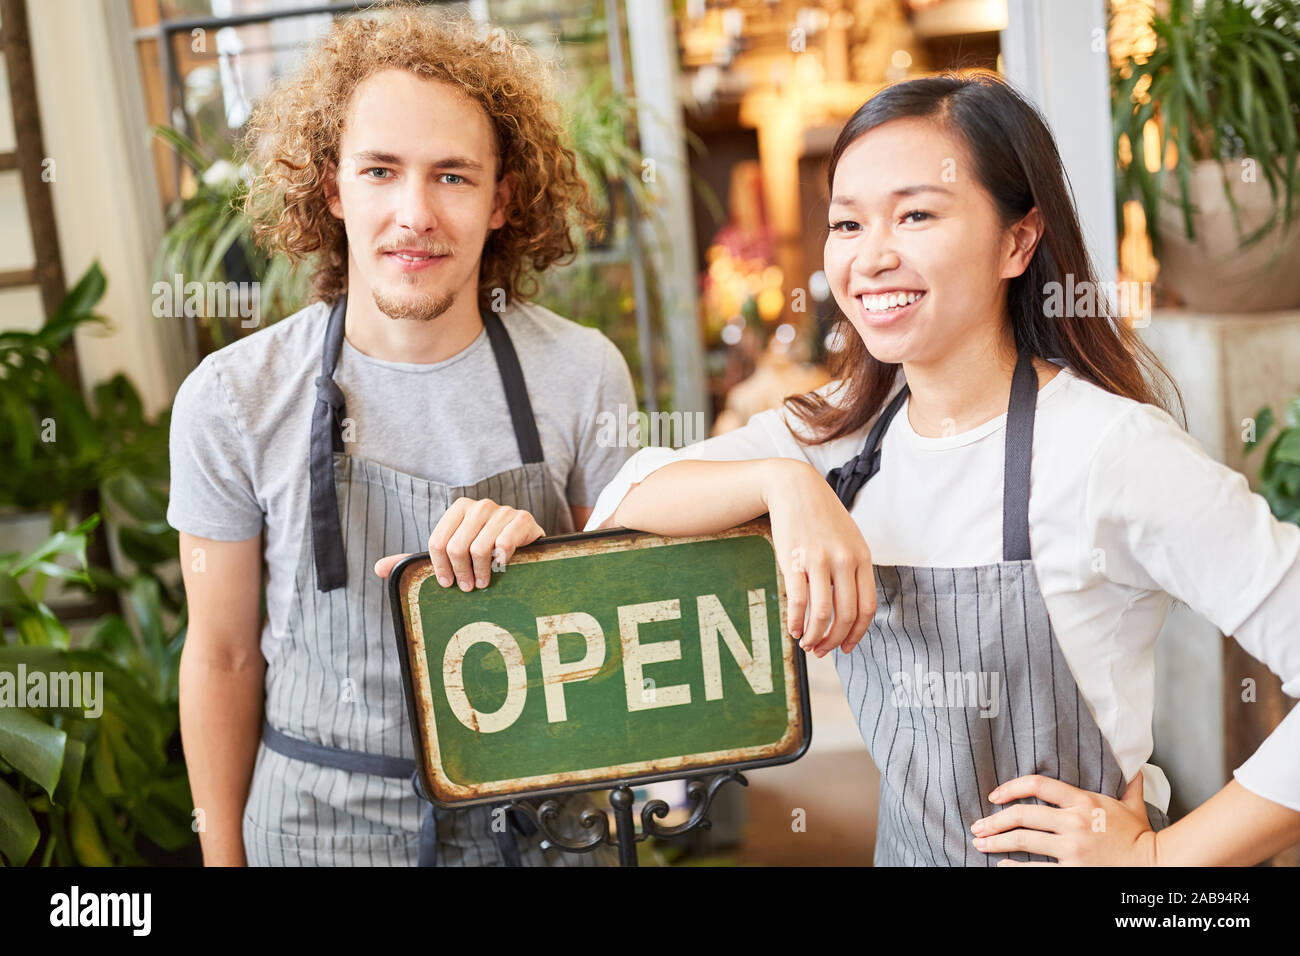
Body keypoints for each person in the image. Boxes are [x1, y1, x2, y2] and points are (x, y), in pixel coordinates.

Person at [585, 71, 1300, 866]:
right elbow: (623, 500)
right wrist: (782, 485)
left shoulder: (1109, 450)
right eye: (848, 224)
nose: (872, 257)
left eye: (917, 214)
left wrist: (1160, 861)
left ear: (1017, 241)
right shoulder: (835, 435)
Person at [170, 6, 631, 866]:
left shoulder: (582, 373)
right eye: (380, 170)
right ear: (332, 188)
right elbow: (224, 655)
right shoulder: (232, 399)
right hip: (317, 826)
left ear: (503, 200)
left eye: (452, 176)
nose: (414, 213)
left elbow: (628, 624)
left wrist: (555, 569)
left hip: (541, 822)